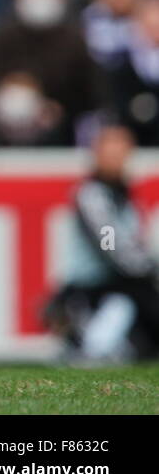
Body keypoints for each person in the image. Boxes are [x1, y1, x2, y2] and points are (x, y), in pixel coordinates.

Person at [46, 123, 159, 362]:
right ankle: (88, 342)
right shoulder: (91, 195)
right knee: (126, 305)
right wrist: (150, 270)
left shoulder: (125, 196)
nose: (115, 159)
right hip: (95, 292)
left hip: (125, 286)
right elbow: (115, 251)